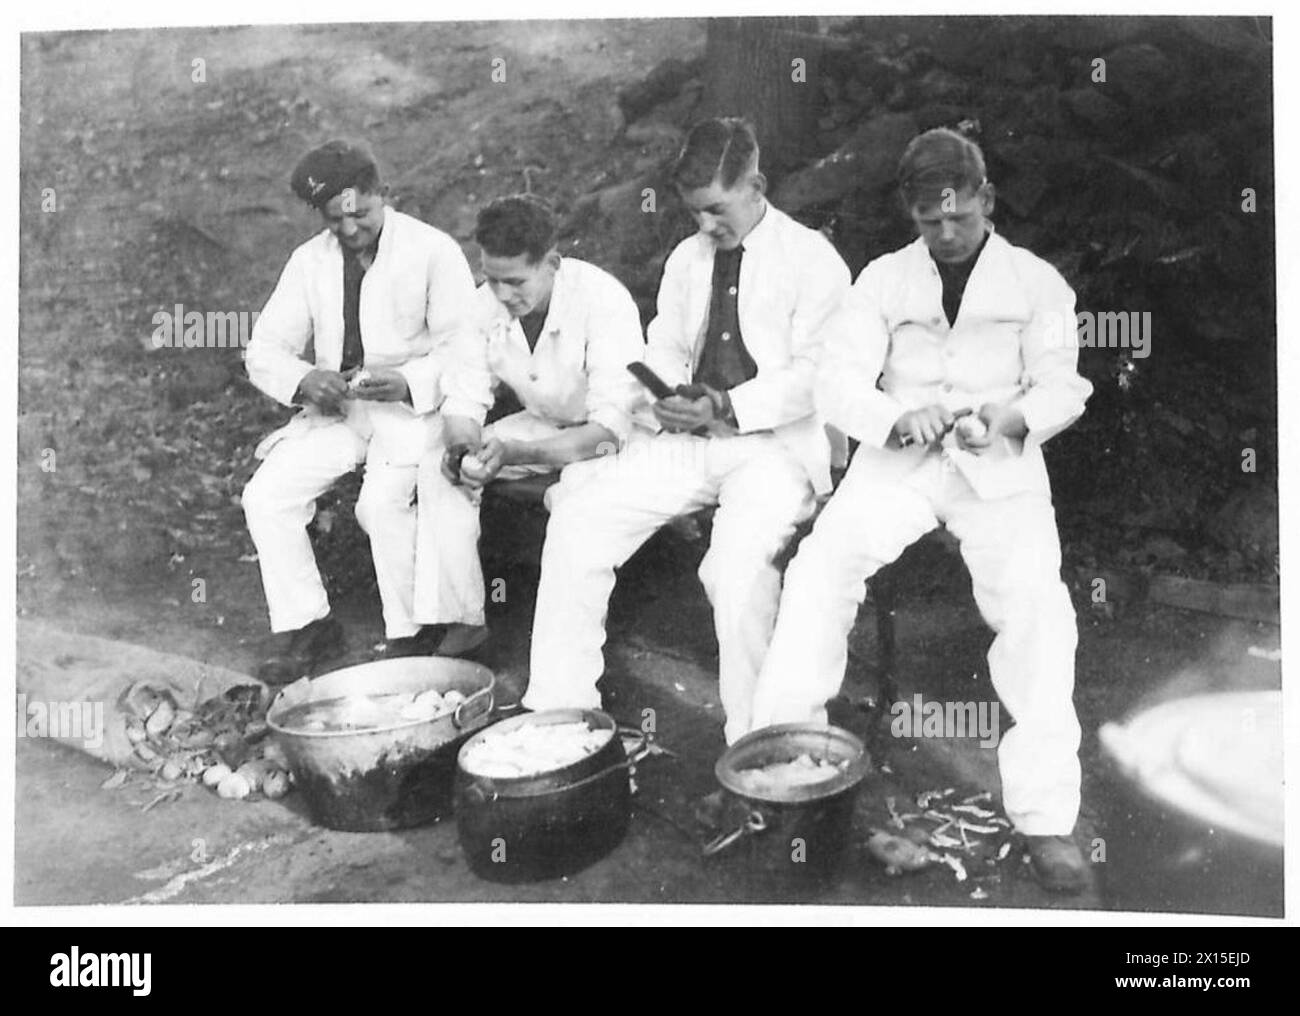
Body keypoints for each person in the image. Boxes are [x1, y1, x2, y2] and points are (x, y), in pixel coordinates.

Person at [748, 127, 1094, 893]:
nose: (945, 234)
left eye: (959, 218)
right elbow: (837, 383)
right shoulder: (880, 281)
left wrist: (1003, 421)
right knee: (819, 568)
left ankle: (1045, 817)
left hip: (998, 467)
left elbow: (1063, 386)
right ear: (910, 212)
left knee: (1037, 605)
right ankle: (782, 763)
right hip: (898, 464)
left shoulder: (1037, 283)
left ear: (987, 201)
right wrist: (891, 419)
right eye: (929, 221)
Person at [522, 117, 851, 744]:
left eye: (716, 210)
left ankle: (762, 742)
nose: (705, 226)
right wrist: (671, 395)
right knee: (580, 519)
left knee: (734, 572)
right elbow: (667, 347)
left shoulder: (812, 261)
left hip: (774, 449)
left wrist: (728, 405)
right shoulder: (687, 258)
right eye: (694, 212)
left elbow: (821, 376)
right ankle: (558, 716)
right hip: (690, 443)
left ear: (758, 185)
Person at [242, 140, 484, 682]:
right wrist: (305, 380)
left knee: (379, 506)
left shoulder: (432, 251)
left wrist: (409, 381)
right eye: (336, 221)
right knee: (266, 496)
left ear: (383, 195)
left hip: (413, 414)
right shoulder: (310, 262)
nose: (351, 230)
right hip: (343, 413)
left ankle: (411, 635)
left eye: (361, 214)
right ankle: (309, 626)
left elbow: (467, 350)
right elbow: (263, 350)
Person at [410, 194, 646, 655]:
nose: (502, 295)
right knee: (436, 469)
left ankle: (580, 644)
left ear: (552, 262)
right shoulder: (482, 308)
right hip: (545, 423)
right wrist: (463, 449)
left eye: (515, 282)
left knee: (574, 492)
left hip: (621, 436)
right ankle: (464, 617)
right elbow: (465, 398)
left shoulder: (602, 299)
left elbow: (608, 433)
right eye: (492, 279)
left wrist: (519, 455)